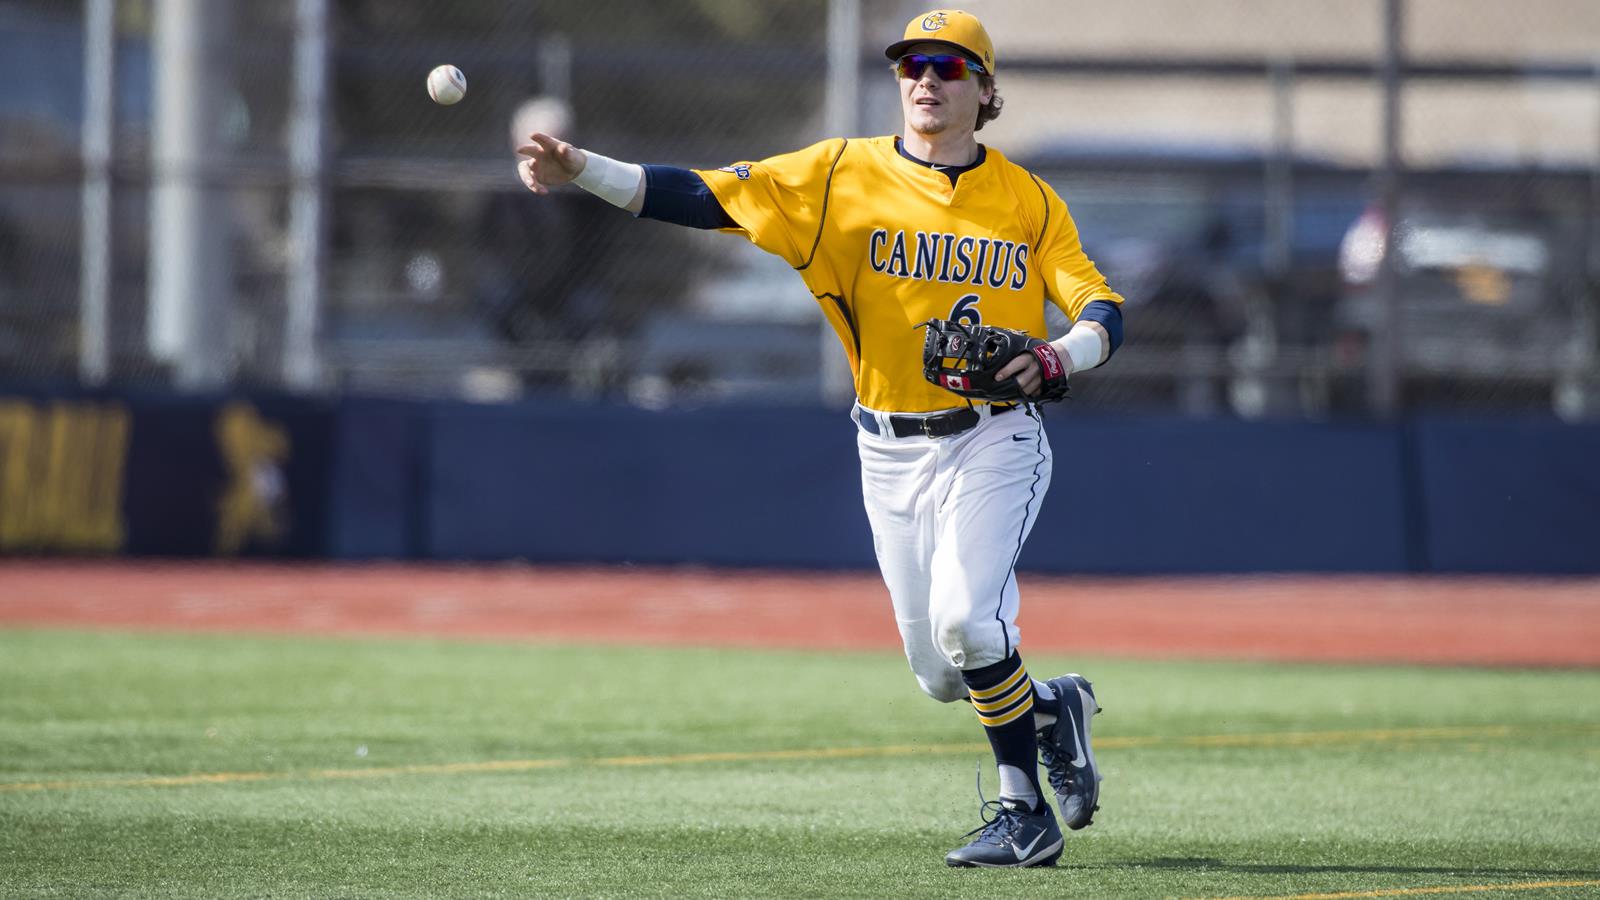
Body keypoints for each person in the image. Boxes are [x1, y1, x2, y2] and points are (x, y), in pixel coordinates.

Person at [516, 9, 1122, 869]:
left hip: (994, 440)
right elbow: (701, 195)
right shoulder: (840, 173)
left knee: (967, 623)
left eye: (949, 67)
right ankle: (1051, 708)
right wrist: (583, 170)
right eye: (912, 62)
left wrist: (1063, 353)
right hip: (887, 447)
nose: (926, 79)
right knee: (942, 674)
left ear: (985, 91)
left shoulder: (1027, 200)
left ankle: (1023, 815)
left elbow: (1103, 306)